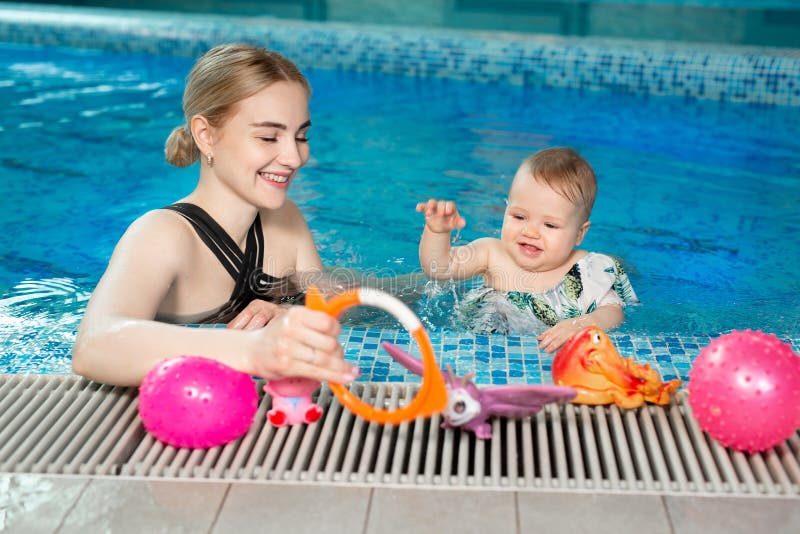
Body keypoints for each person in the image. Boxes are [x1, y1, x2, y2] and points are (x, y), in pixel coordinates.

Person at [72, 43, 358, 387]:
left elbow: (333, 303)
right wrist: (252, 348)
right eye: (269, 137)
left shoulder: (286, 221)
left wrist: (289, 314)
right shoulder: (162, 234)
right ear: (206, 136)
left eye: (301, 136)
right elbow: (93, 347)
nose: (295, 158)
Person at [416, 147, 638, 352]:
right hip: (483, 351)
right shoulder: (491, 253)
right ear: (506, 210)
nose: (530, 232)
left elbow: (613, 311)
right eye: (519, 216)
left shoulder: (586, 270)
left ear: (579, 233)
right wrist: (437, 233)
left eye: (550, 225)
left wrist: (581, 324)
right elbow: (439, 269)